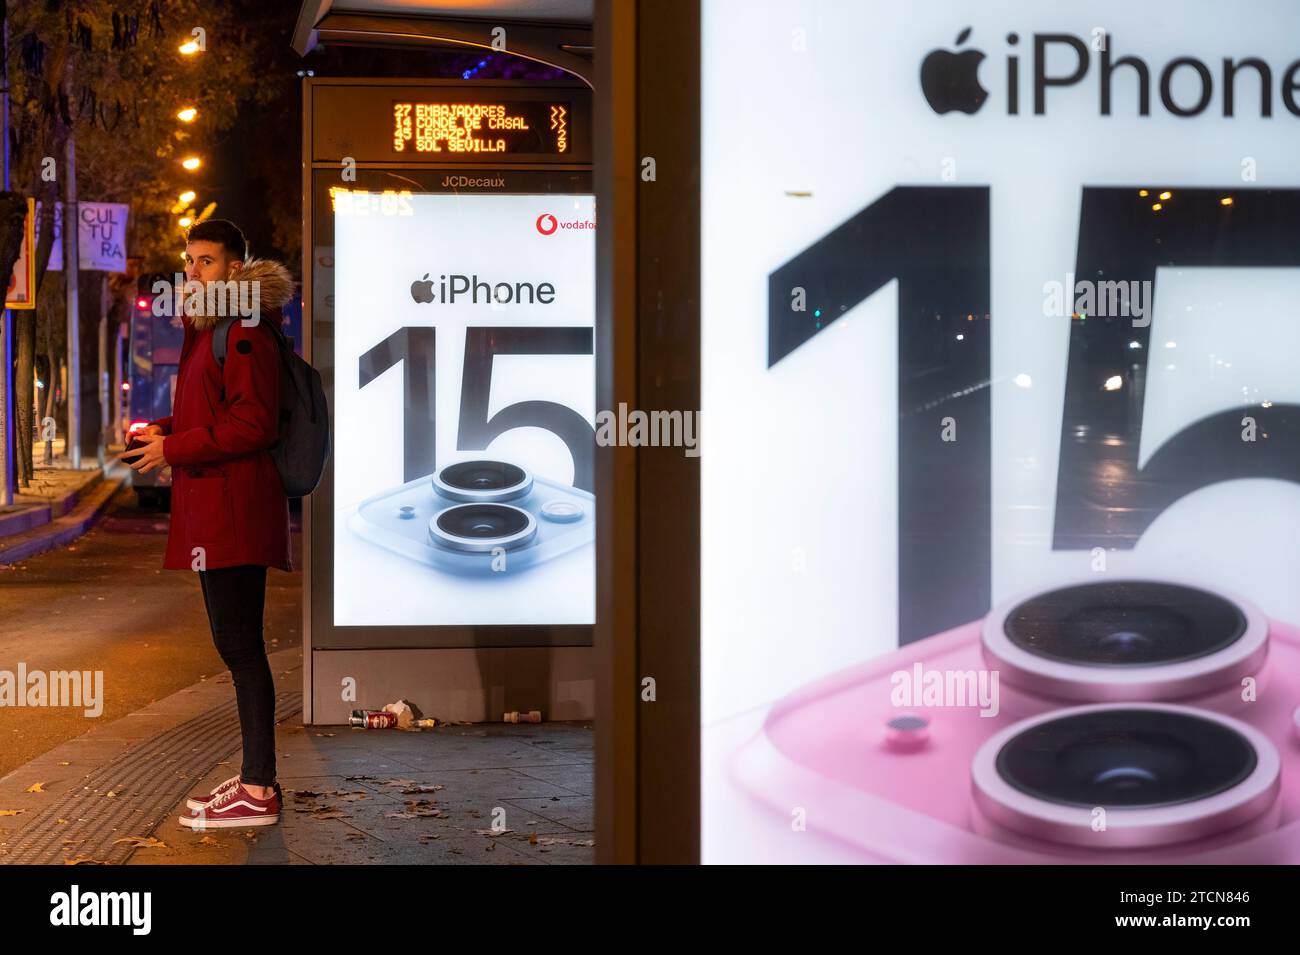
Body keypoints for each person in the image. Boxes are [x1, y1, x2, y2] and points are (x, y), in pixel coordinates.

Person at [126, 219, 294, 828]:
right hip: (215, 505)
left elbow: (254, 425)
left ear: (236, 268)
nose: (192, 273)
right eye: (189, 261)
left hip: (234, 508)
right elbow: (212, 412)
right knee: (236, 645)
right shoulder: (212, 327)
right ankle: (256, 778)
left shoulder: (244, 328)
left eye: (207, 262)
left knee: (242, 646)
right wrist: (166, 432)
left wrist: (174, 450)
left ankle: (260, 790)